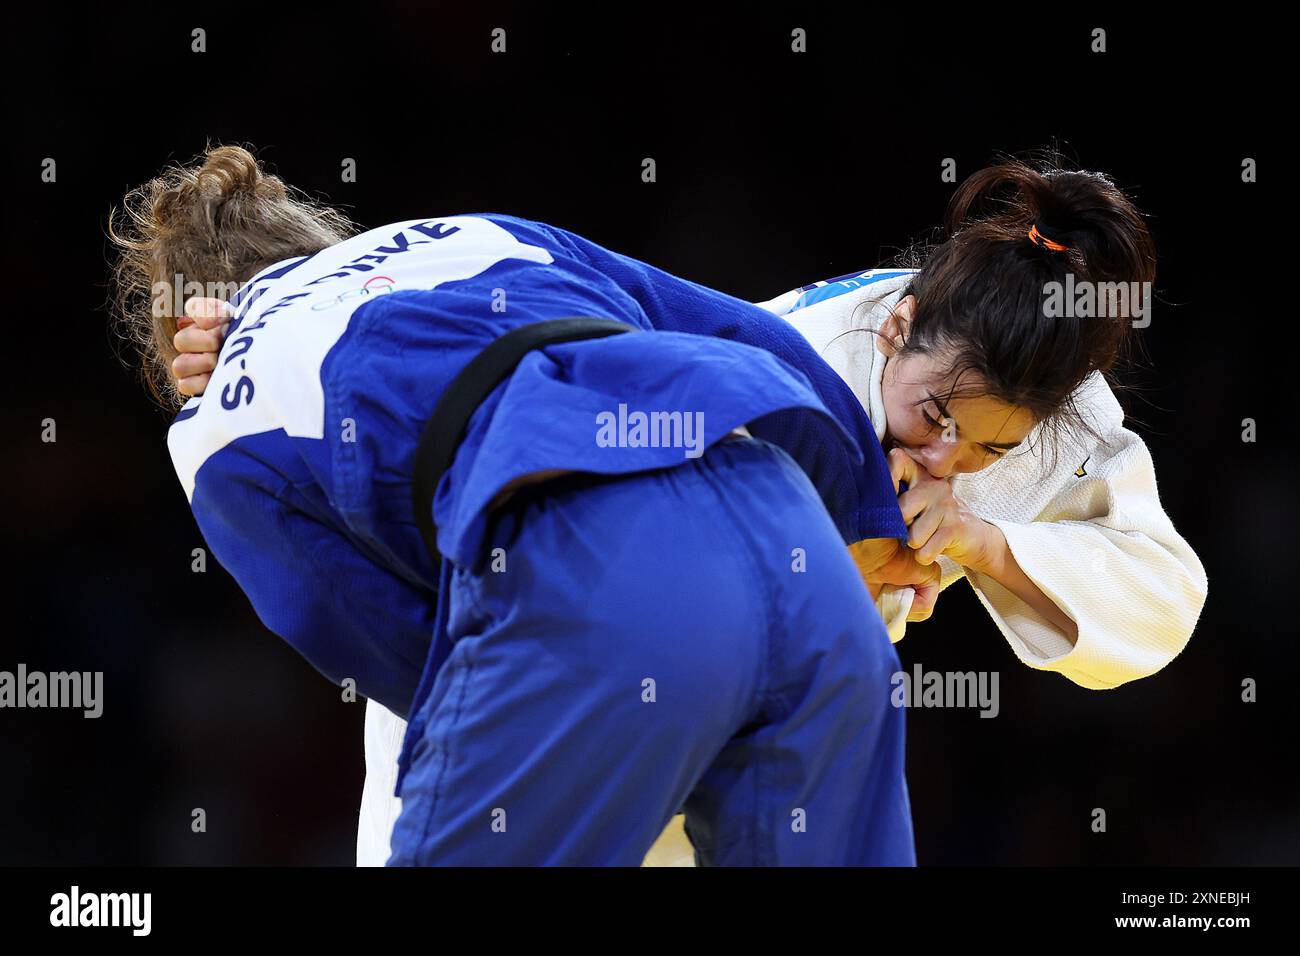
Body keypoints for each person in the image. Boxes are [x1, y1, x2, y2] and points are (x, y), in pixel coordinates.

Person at [164, 155, 1209, 865]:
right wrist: (835, 546)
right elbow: (688, 344)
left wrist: (983, 540)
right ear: (894, 324)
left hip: (651, 637)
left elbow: (1158, 598)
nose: (950, 457)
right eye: (938, 420)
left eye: (990, 449)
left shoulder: (1033, 381)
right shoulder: (793, 337)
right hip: (632, 626)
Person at [111, 145, 928, 865]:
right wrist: (867, 523)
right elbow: (749, 334)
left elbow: (379, 633)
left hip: (595, 575)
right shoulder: (482, 233)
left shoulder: (217, 424)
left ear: (187, 339)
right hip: (791, 534)